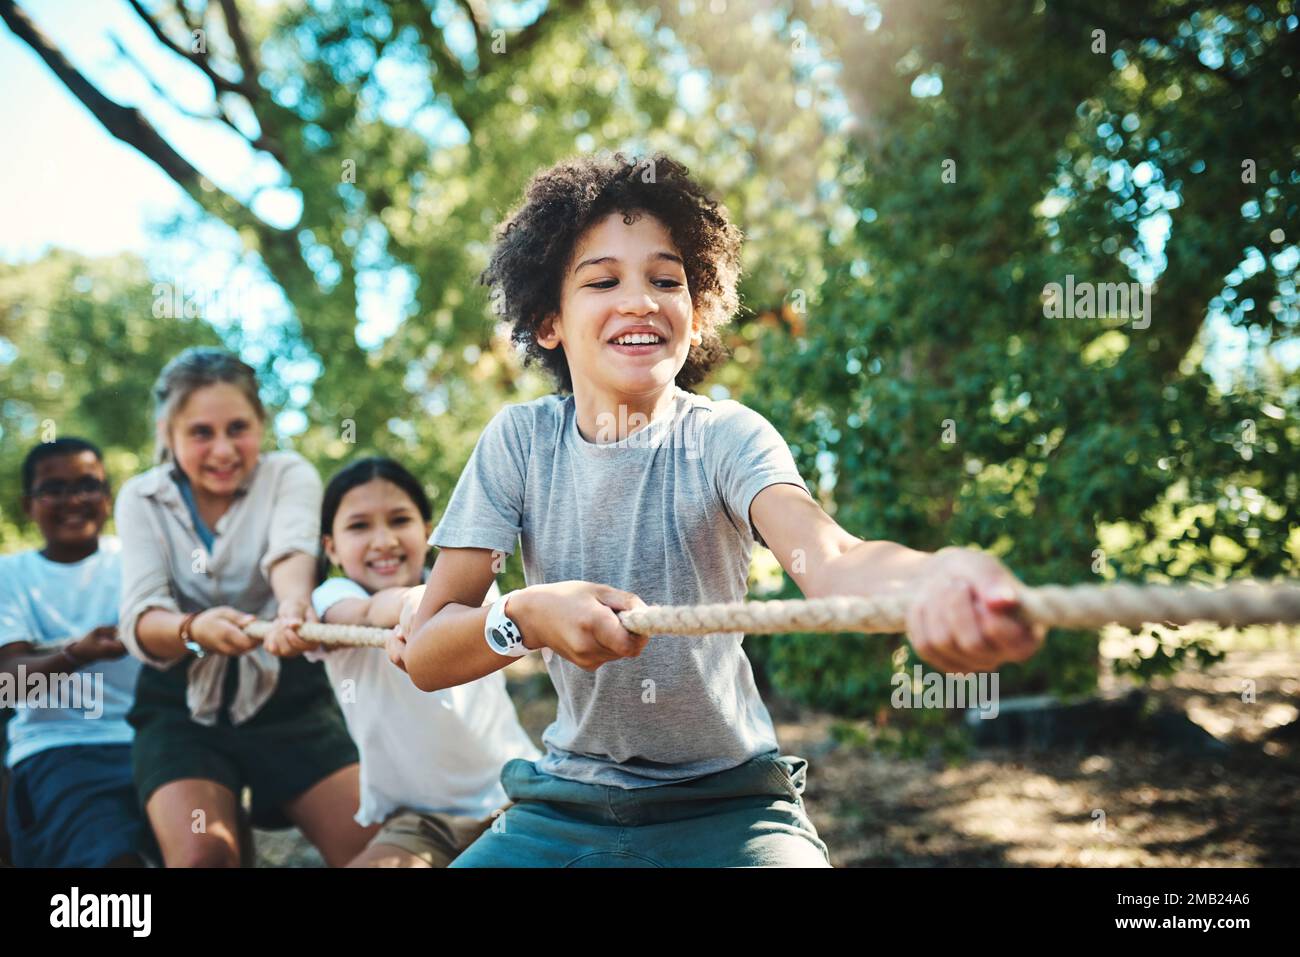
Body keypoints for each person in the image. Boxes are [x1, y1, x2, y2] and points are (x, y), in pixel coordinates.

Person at [394, 153, 1046, 867]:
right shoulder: (517, 444)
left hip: (732, 808)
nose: (639, 299)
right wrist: (526, 613)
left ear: (697, 315)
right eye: (603, 280)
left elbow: (831, 560)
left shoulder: (725, 437)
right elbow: (428, 652)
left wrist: (937, 575)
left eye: (666, 280)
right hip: (565, 805)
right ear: (549, 320)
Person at [115, 347, 372, 867]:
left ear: (262, 422)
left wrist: (293, 608)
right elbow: (141, 616)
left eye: (238, 428)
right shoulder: (140, 497)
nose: (223, 450)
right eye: (201, 433)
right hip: (180, 705)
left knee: (374, 849)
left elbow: (291, 551)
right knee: (204, 856)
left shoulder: (288, 474)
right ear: (168, 433)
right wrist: (194, 629)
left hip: (288, 696)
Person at [280, 456, 539, 867]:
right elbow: (364, 614)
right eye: (359, 526)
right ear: (331, 547)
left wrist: (432, 606)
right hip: (419, 821)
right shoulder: (331, 597)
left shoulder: (471, 594)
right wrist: (410, 603)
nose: (383, 540)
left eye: (399, 520)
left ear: (428, 531)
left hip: (513, 798)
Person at [0, 438, 153, 867]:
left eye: (88, 486)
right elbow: (7, 684)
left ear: (108, 499)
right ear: (29, 504)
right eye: (53, 489)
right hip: (61, 747)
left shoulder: (138, 564)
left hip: (154, 740)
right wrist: (76, 655)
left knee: (207, 846)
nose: (73, 501)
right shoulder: (10, 576)